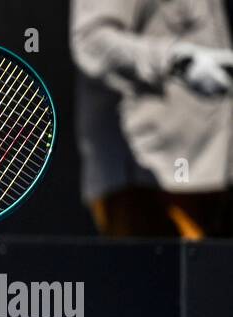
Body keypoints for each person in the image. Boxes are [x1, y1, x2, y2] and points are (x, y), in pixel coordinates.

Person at [72, 0, 233, 237]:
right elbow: (90, 40)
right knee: (147, 273)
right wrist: (175, 60)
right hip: (145, 181)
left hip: (211, 176)